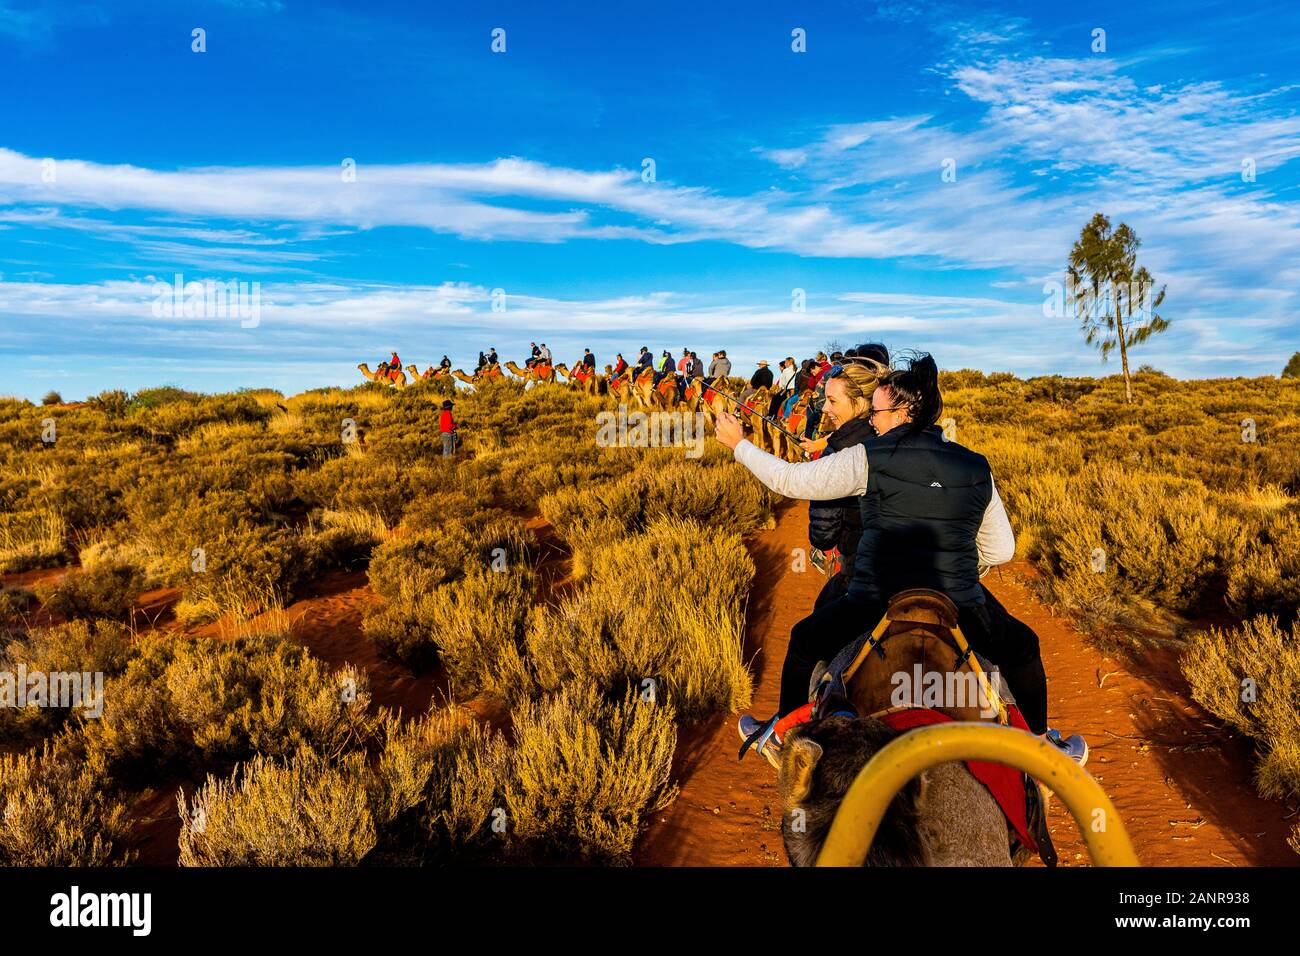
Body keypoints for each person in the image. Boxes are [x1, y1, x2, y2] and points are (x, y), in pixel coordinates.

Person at [715, 353, 1085, 765]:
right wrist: (959, 568)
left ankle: (783, 732)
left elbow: (791, 479)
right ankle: (1041, 746)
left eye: (877, 412)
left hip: (876, 598)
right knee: (1022, 648)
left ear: (905, 410)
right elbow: (1002, 551)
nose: (871, 421)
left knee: (804, 641)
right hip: (959, 601)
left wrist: (740, 445)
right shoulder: (976, 464)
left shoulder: (868, 456)